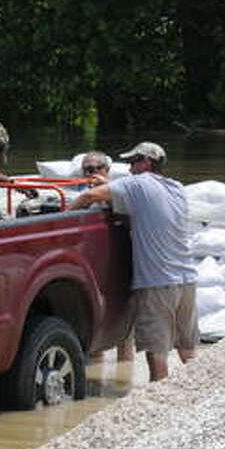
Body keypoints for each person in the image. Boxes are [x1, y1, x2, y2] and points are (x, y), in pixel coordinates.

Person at [71, 141, 196, 381]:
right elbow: (147, 213)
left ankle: (158, 403)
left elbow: (88, 196)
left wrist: (62, 220)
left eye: (133, 163)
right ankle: (202, 396)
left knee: (155, 351)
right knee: (187, 349)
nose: (129, 169)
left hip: (157, 283)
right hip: (187, 279)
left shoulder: (137, 183)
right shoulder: (177, 188)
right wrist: (113, 188)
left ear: (146, 163)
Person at [79, 150, 136, 362]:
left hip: (122, 266)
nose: (92, 173)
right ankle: (97, 379)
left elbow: (129, 218)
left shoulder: (121, 192)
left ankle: (125, 376)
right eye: (87, 170)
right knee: (97, 326)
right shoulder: (84, 199)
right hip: (96, 269)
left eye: (96, 169)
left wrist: (106, 189)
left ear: (107, 170)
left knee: (124, 328)